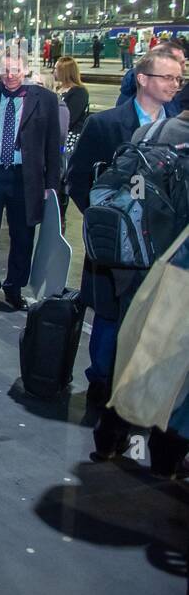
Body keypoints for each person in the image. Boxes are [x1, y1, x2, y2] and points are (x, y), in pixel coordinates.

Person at [67, 51, 184, 405]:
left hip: (166, 250)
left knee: (156, 326)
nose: (174, 85)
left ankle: (137, 398)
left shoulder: (178, 126)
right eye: (167, 78)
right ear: (144, 79)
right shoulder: (106, 125)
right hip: (117, 253)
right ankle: (101, 391)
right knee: (109, 321)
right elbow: (77, 179)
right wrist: (107, 224)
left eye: (179, 79)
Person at [0, 53, 62, 309]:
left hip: (24, 178)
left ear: (27, 69)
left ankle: (14, 288)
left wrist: (51, 184)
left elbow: (52, 144)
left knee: (23, 236)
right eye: (5, 70)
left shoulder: (46, 99)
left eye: (16, 69)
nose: (10, 75)